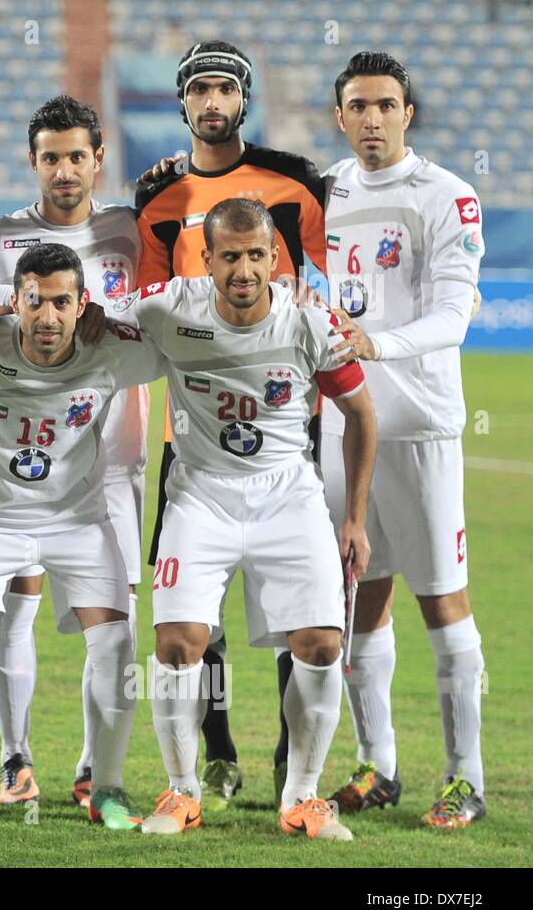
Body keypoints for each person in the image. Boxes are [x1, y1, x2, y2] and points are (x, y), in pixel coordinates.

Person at [113, 198, 375, 841]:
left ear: (273, 257)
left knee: (320, 646)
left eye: (256, 255)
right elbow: (89, 330)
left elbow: (364, 417)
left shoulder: (308, 323)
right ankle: (181, 793)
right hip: (201, 496)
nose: (244, 269)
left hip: (289, 496)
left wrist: (355, 520)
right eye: (229, 256)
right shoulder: (169, 309)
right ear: (207, 260)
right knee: (176, 646)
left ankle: (303, 798)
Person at [135, 41, 329, 808]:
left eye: (225, 88)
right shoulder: (157, 199)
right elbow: (146, 315)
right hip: (194, 434)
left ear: (243, 97)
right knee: (196, 619)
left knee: (301, 608)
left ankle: (291, 758)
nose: (212, 101)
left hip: (287, 425)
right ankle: (215, 750)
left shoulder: (295, 182)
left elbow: (322, 284)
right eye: (199, 90)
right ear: (182, 102)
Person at [0, 242, 162, 829]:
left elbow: (178, 333)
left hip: (78, 523)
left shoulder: (112, 353)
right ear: (15, 303)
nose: (47, 318)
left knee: (118, 647)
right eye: (33, 302)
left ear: (82, 306)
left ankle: (109, 788)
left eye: (60, 303)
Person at [0, 95, 147, 808]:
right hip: (19, 463)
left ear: (99, 158)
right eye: (50, 157)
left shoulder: (132, 231)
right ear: (31, 162)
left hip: (116, 458)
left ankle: (97, 769)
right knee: (17, 604)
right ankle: (15, 758)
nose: (64, 170)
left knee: (113, 622)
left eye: (77, 156)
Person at [321, 51, 488, 828]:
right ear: (340, 115)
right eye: (358, 106)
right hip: (346, 430)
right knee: (360, 599)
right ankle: (377, 762)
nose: (373, 119)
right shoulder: (328, 189)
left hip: (418, 426)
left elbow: (455, 318)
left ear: (407, 113)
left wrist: (373, 346)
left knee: (442, 601)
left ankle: (466, 777)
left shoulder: (447, 196)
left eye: (386, 105)